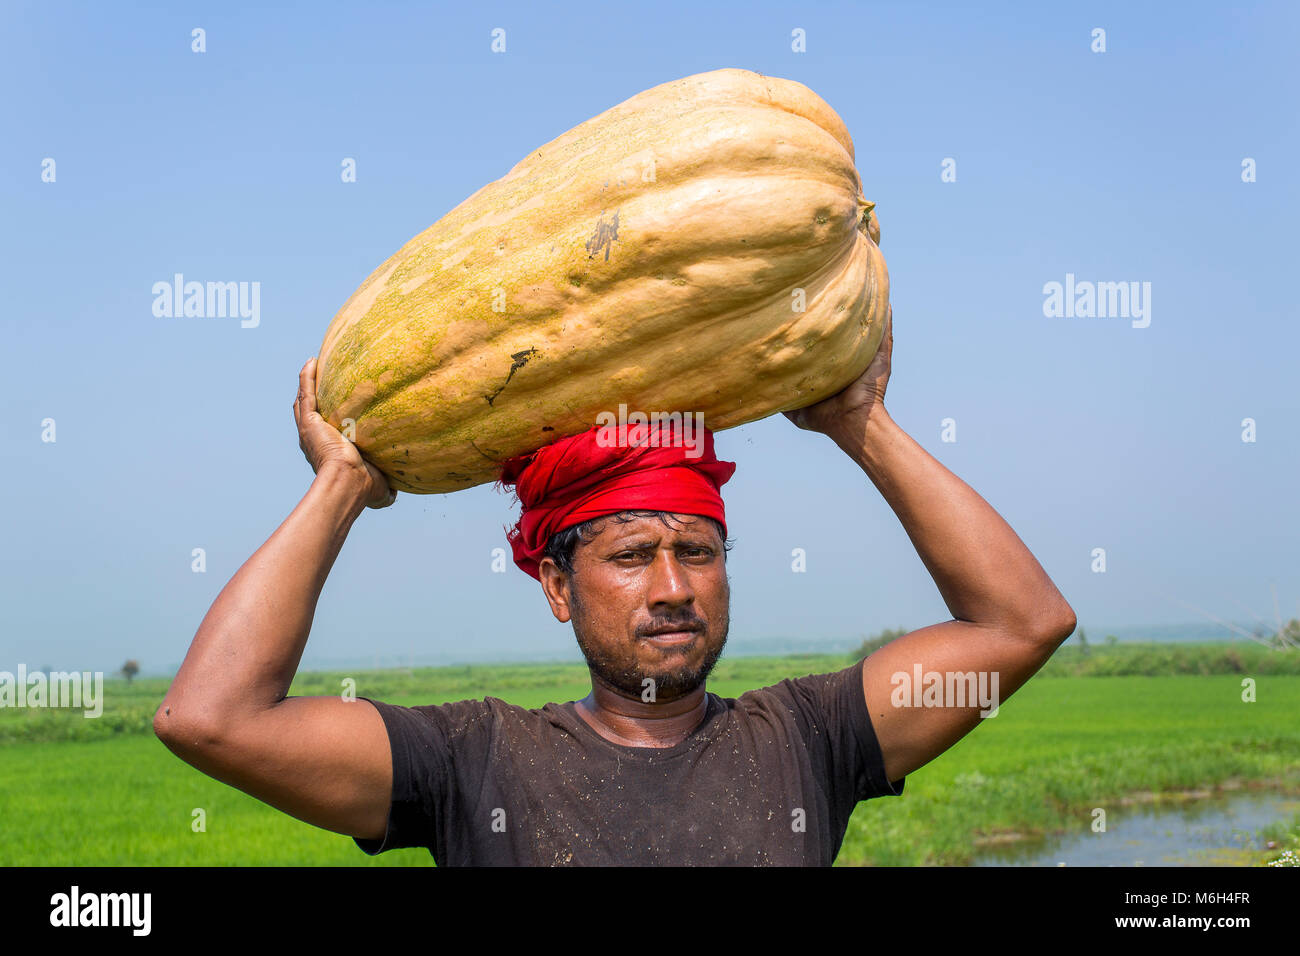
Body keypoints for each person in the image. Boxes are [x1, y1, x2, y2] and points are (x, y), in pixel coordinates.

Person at [154, 308, 1076, 865]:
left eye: (700, 550)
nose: (673, 584)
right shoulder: (472, 763)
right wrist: (341, 486)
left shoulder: (810, 737)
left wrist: (859, 422)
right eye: (632, 556)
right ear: (556, 584)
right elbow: (211, 717)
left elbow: (1023, 623)